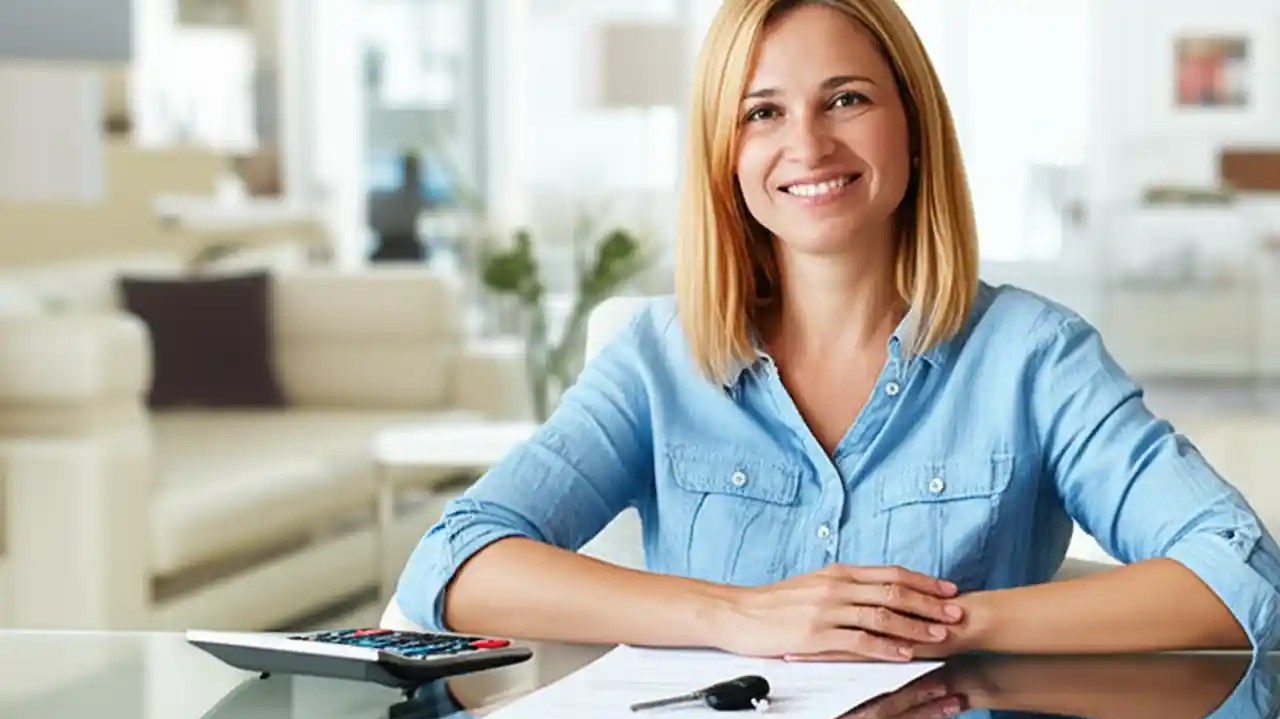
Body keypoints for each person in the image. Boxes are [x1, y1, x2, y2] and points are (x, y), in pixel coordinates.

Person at [395, 0, 1280, 660]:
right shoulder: (656, 360)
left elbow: (1240, 572)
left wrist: (940, 625)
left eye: (846, 99)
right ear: (725, 156)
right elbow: (455, 561)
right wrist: (737, 616)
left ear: (913, 125)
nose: (809, 145)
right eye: (762, 112)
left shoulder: (1034, 356)